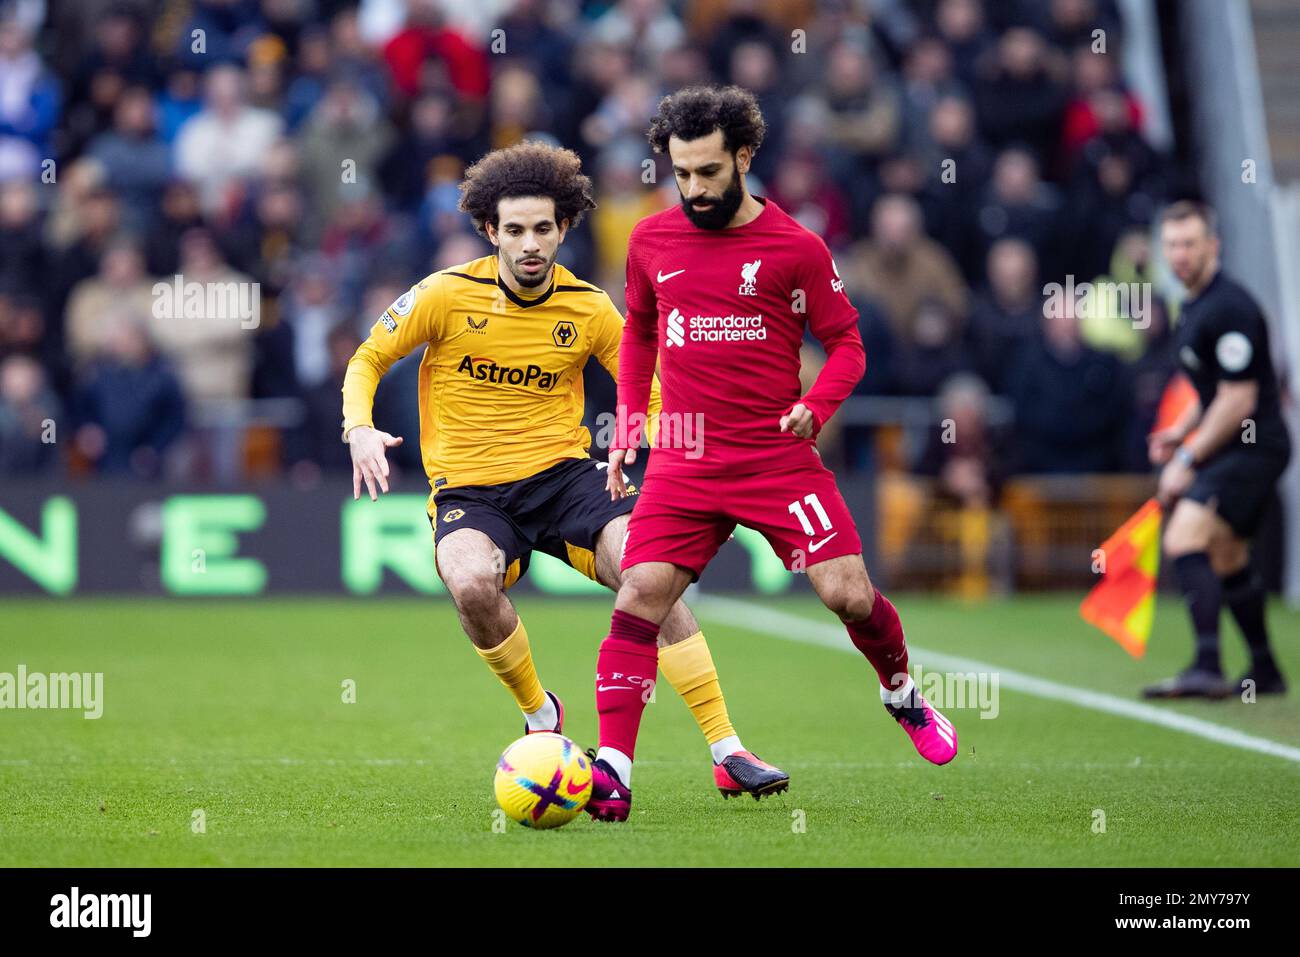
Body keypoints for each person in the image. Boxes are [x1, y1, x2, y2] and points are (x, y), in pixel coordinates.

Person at [340, 141, 787, 798]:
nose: (529, 243)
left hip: (566, 480)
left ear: (564, 229)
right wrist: (358, 428)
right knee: (469, 583)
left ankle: (727, 748)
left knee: (650, 571)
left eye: (542, 228)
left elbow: (655, 388)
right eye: (514, 229)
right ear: (490, 230)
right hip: (471, 491)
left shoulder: (587, 308)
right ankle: (541, 716)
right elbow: (366, 359)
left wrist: (643, 438)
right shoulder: (443, 295)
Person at [586, 86, 958, 824]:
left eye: (707, 172)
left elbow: (849, 345)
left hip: (774, 454)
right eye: (680, 173)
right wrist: (629, 422)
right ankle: (613, 770)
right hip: (686, 458)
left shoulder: (796, 248)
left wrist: (815, 410)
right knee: (639, 596)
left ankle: (901, 693)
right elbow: (638, 332)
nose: (692, 189)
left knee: (848, 593)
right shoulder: (650, 241)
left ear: (744, 158)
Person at [1144, 201, 1292, 699]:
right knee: (1226, 555)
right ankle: (1265, 669)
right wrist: (1181, 431)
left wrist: (1186, 459)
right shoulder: (1193, 304)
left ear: (1213, 246)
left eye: (1189, 243)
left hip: (1254, 447)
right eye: (1171, 246)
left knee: (1185, 538)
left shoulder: (1229, 307)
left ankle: (1207, 666)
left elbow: (1239, 399)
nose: (1179, 255)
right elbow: (1211, 392)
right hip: (1232, 444)